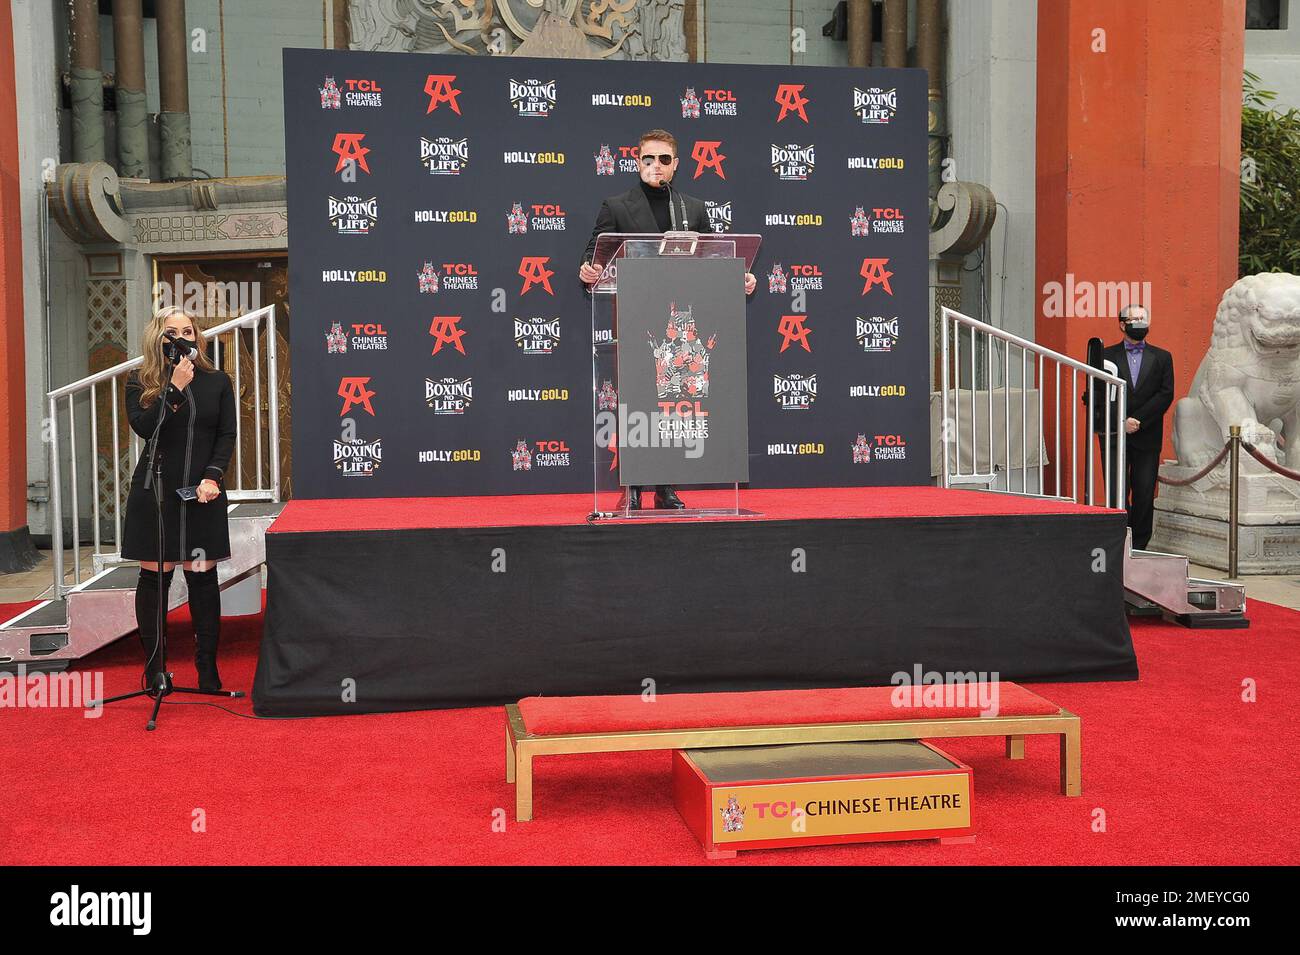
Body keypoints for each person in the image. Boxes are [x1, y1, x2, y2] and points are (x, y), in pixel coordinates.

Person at [579, 128, 756, 510]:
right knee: (636, 402)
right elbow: (594, 255)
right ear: (636, 161)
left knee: (671, 403)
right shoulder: (617, 205)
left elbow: (715, 258)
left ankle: (666, 485)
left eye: (663, 159)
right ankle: (632, 488)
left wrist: (738, 276)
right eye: (648, 158)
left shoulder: (693, 208)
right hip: (635, 321)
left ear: (675, 165)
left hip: (678, 324)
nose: (655, 165)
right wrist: (588, 270)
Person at [122, 306, 236, 691]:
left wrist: (212, 476)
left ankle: (208, 670)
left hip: (202, 491)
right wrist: (174, 388)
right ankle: (155, 671)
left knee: (202, 576)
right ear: (158, 337)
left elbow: (225, 435)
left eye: (189, 330)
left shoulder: (217, 380)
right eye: (173, 332)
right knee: (156, 578)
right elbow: (143, 428)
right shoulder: (140, 381)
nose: (182, 338)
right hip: (155, 491)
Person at [1090, 304, 1174, 549]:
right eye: (1133, 319)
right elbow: (1097, 394)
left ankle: (1139, 545)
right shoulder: (1104, 356)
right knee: (1116, 491)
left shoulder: (1162, 357)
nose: (1139, 322)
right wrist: (1121, 421)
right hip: (1115, 434)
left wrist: (1139, 420)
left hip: (1147, 435)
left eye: (1143, 318)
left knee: (1145, 492)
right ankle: (1118, 541)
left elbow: (1165, 393)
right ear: (1122, 324)